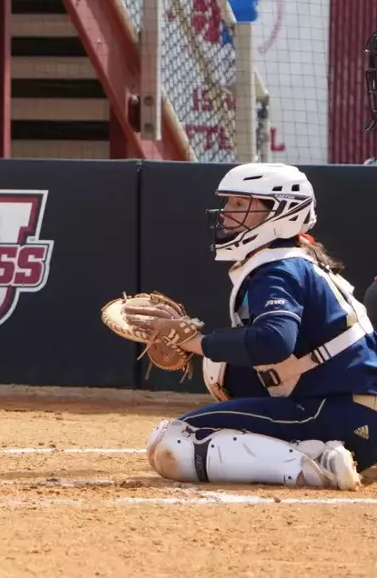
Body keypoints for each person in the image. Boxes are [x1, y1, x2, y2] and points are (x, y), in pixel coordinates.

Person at [137, 163, 377, 490]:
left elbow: (275, 341)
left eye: (240, 204)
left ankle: (316, 464)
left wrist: (195, 341)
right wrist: (195, 348)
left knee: (173, 440)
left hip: (342, 414)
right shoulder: (297, 260)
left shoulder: (278, 268)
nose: (225, 213)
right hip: (355, 413)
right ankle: (324, 455)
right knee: (218, 375)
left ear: (280, 213)